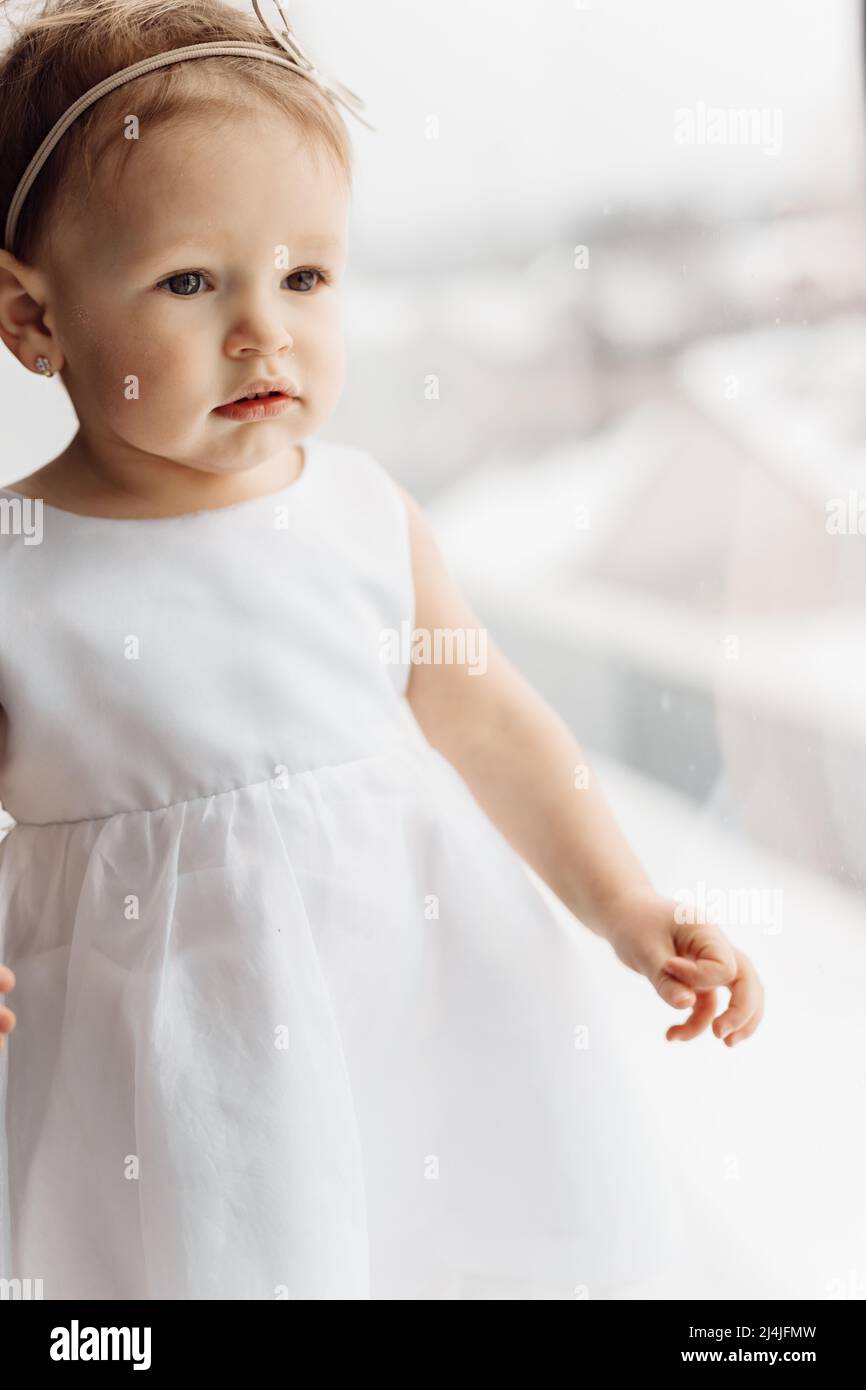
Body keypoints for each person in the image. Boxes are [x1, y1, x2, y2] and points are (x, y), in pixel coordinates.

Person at [0, 0, 763, 1300]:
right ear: (33, 319)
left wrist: (624, 902)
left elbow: (494, 725)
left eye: (305, 275)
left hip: (416, 992)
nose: (263, 330)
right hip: (178, 1066)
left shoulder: (355, 511)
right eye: (191, 280)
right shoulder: (23, 569)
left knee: (465, 1242)